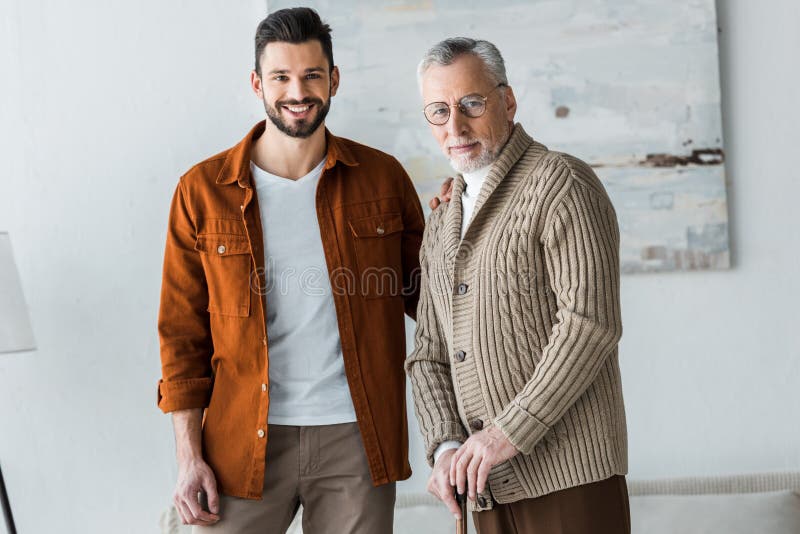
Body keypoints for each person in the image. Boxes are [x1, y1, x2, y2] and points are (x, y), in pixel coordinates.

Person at [156, 8, 426, 533]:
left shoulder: (382, 179)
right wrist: (189, 458)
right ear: (258, 83)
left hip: (357, 439)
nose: (297, 91)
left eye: (311, 75)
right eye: (281, 76)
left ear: (334, 79)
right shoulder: (202, 192)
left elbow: (435, 302)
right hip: (239, 444)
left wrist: (462, 226)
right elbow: (181, 337)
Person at [406, 37, 631, 534]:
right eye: (438, 112)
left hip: (571, 482)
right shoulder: (442, 222)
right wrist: (446, 448)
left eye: (471, 104)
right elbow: (428, 353)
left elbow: (589, 326)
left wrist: (505, 434)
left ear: (507, 101)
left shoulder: (563, 184)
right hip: (481, 490)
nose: (455, 127)